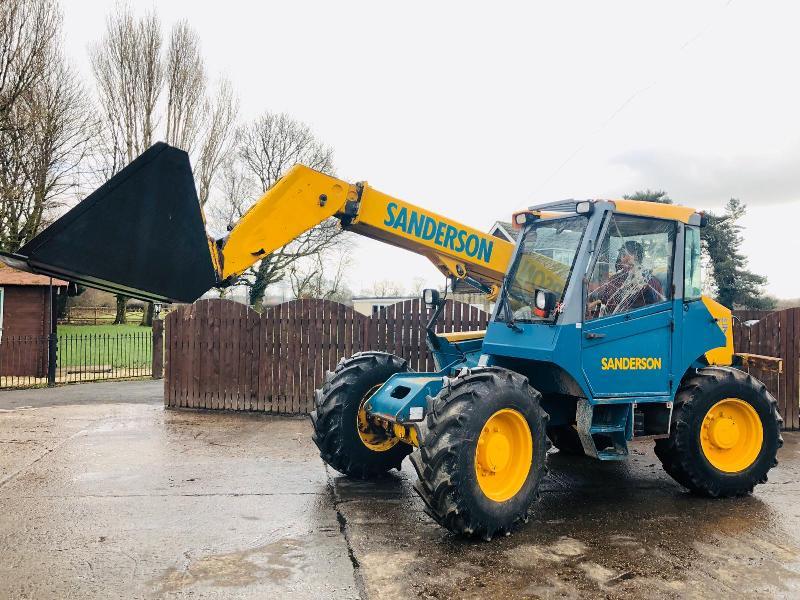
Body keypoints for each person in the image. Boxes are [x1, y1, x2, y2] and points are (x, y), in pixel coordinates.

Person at [587, 240, 665, 318]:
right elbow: (603, 301)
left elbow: (655, 311)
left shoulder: (650, 282)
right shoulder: (615, 280)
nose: (625, 259)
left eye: (631, 254)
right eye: (623, 255)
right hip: (608, 321)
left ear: (638, 258)